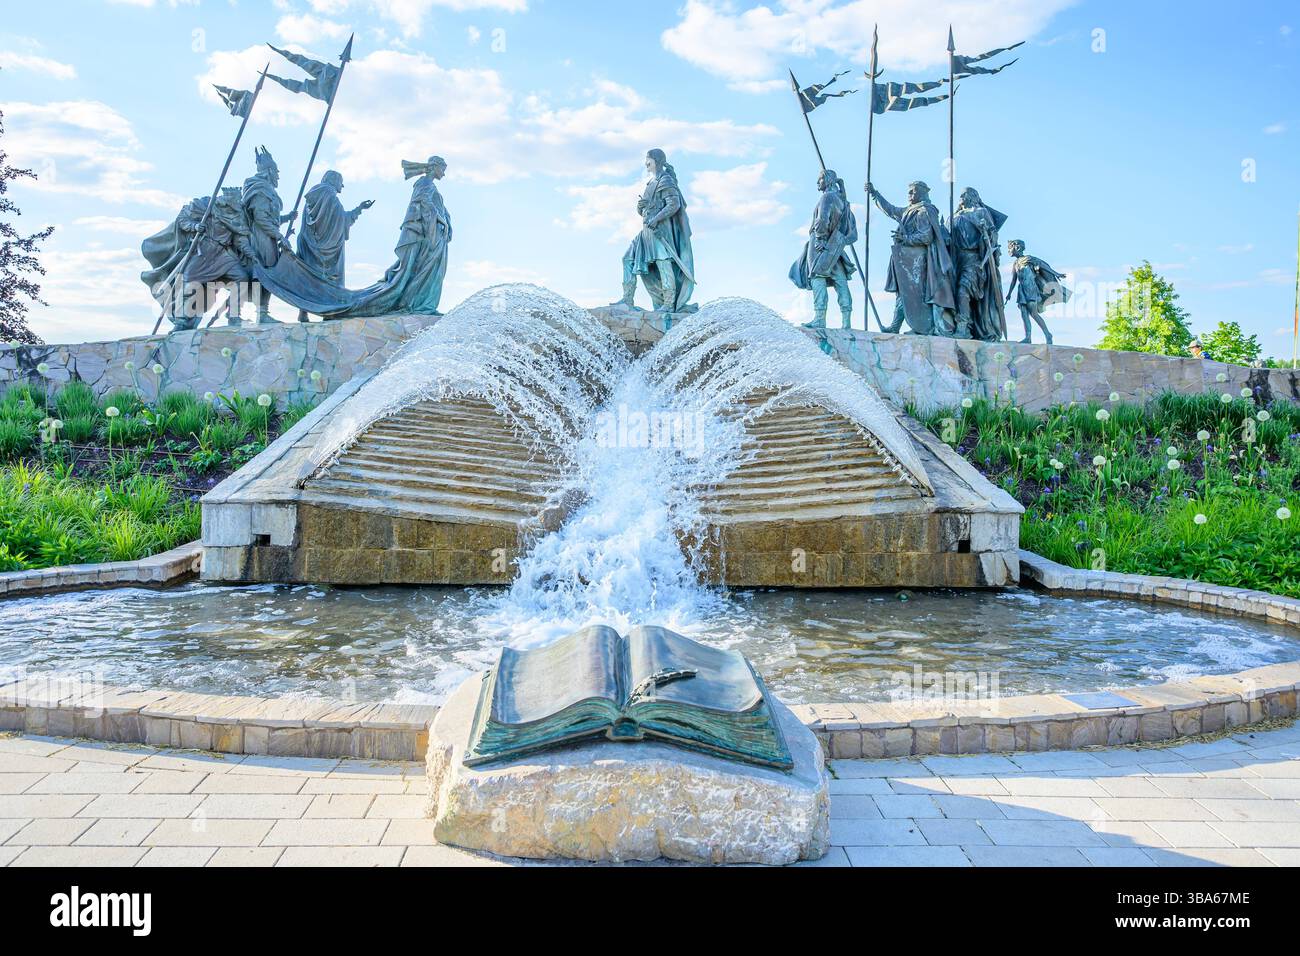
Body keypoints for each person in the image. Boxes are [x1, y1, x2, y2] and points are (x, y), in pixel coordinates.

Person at [327, 155, 452, 318]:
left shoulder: (428, 184)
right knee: (419, 270)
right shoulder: (425, 183)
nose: (443, 173)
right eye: (443, 169)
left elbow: (433, 206)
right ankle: (417, 305)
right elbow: (425, 204)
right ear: (435, 167)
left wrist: (445, 222)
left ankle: (422, 304)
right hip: (424, 234)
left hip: (431, 234)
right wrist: (441, 221)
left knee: (425, 270)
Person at [866, 180, 956, 335]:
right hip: (908, 261)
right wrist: (875, 194)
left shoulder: (924, 210)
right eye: (909, 192)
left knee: (917, 294)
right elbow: (891, 210)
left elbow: (926, 236)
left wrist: (906, 238)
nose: (909, 195)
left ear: (922, 192)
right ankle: (896, 326)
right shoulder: (910, 210)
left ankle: (929, 328)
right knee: (903, 291)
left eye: (913, 191)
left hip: (920, 260)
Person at [617, 149, 696, 314]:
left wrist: (657, 219)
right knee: (627, 259)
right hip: (646, 231)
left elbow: (674, 204)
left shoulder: (665, 180)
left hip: (660, 230)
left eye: (648, 160)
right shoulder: (650, 182)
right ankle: (627, 299)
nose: (646, 163)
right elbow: (648, 207)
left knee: (663, 263)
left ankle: (668, 303)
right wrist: (640, 208)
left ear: (656, 161)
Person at [294, 170, 373, 322]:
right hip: (328, 251)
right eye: (340, 182)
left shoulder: (311, 198)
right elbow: (342, 220)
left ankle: (303, 312)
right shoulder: (330, 197)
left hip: (308, 245)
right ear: (334, 180)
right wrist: (359, 209)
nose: (342, 187)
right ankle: (329, 312)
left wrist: (359, 208)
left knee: (307, 277)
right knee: (330, 279)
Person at [790, 169, 857, 329]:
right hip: (836, 247)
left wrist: (820, 238)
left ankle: (819, 318)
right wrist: (837, 242)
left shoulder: (827, 197)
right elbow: (852, 233)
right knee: (840, 281)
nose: (817, 183)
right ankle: (846, 322)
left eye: (820, 179)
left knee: (817, 277)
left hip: (821, 245)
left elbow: (822, 219)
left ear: (827, 180)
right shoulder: (844, 203)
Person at [240, 146, 296, 324]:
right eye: (276, 172)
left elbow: (270, 216)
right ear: (270, 171)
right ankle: (261, 313)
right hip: (261, 238)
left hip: (267, 236)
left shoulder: (265, 189)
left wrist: (286, 218)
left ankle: (262, 312)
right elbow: (261, 217)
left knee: (268, 273)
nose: (278, 176)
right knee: (264, 273)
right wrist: (280, 236)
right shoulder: (261, 188)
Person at [950, 187, 1008, 341]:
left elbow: (992, 235)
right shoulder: (954, 216)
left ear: (972, 196)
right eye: (960, 195)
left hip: (974, 258)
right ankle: (962, 326)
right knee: (954, 293)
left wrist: (985, 231)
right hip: (956, 259)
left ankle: (963, 328)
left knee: (964, 290)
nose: (961, 197)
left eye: (964, 194)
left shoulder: (980, 212)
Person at [1005, 239, 1069, 345]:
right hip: (1021, 290)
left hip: (1031, 289)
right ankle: (1028, 337)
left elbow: (1043, 266)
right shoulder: (1015, 263)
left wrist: (1056, 274)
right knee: (1024, 314)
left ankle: (1047, 334)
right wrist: (1009, 294)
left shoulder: (1028, 259)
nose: (1009, 250)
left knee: (1033, 313)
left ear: (1017, 247)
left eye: (1010, 247)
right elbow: (1013, 280)